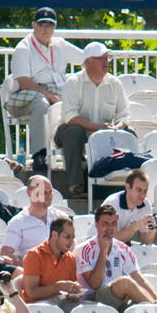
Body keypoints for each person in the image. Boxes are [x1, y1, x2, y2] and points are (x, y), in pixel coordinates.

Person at [4, 7, 83, 174]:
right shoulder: (23, 48)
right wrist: (52, 97)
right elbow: (25, 82)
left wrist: (103, 56)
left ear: (54, 28)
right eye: (42, 24)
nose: (46, 28)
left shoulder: (60, 44)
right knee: (41, 104)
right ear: (33, 25)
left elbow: (85, 59)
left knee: (81, 102)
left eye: (50, 24)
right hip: (24, 97)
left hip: (55, 93)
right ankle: (39, 155)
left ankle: (80, 153)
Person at [54, 41, 130, 198]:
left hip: (104, 131)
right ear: (88, 62)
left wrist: (118, 127)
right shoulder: (73, 82)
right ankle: (75, 184)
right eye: (101, 58)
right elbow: (70, 117)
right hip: (72, 130)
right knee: (74, 131)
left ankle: (125, 185)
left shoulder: (115, 83)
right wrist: (98, 128)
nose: (106, 62)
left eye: (107, 58)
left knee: (129, 134)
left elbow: (125, 115)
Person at [76, 203, 157, 313]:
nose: (110, 228)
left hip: (117, 298)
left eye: (113, 224)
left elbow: (139, 278)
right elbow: (95, 284)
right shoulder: (84, 249)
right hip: (92, 299)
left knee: (138, 309)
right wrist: (103, 251)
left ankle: (156, 310)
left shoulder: (122, 248)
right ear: (96, 225)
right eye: (105, 223)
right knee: (125, 282)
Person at [1, 176, 70, 267]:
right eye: (44, 193)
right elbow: (6, 253)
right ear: (30, 193)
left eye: (50, 192)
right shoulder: (18, 222)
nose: (49, 196)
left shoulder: (61, 217)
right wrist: (30, 268)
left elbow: (72, 245)